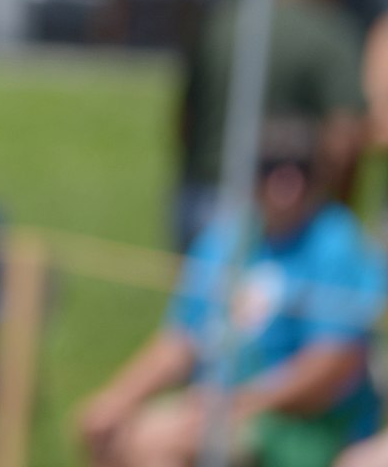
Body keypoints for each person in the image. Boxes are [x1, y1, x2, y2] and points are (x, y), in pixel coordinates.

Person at [78, 118, 387, 467]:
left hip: (299, 423)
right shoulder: (229, 236)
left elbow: (334, 362)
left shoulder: (335, 242)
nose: (286, 183)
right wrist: (118, 399)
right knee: (113, 433)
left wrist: (240, 401)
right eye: (270, 167)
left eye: (300, 169)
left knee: (155, 443)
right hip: (221, 403)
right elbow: (182, 339)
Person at [174, 0, 366, 251]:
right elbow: (345, 138)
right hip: (283, 212)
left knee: (204, 302)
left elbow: (183, 119)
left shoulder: (222, 19)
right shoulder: (332, 34)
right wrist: (337, 210)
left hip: (200, 195)